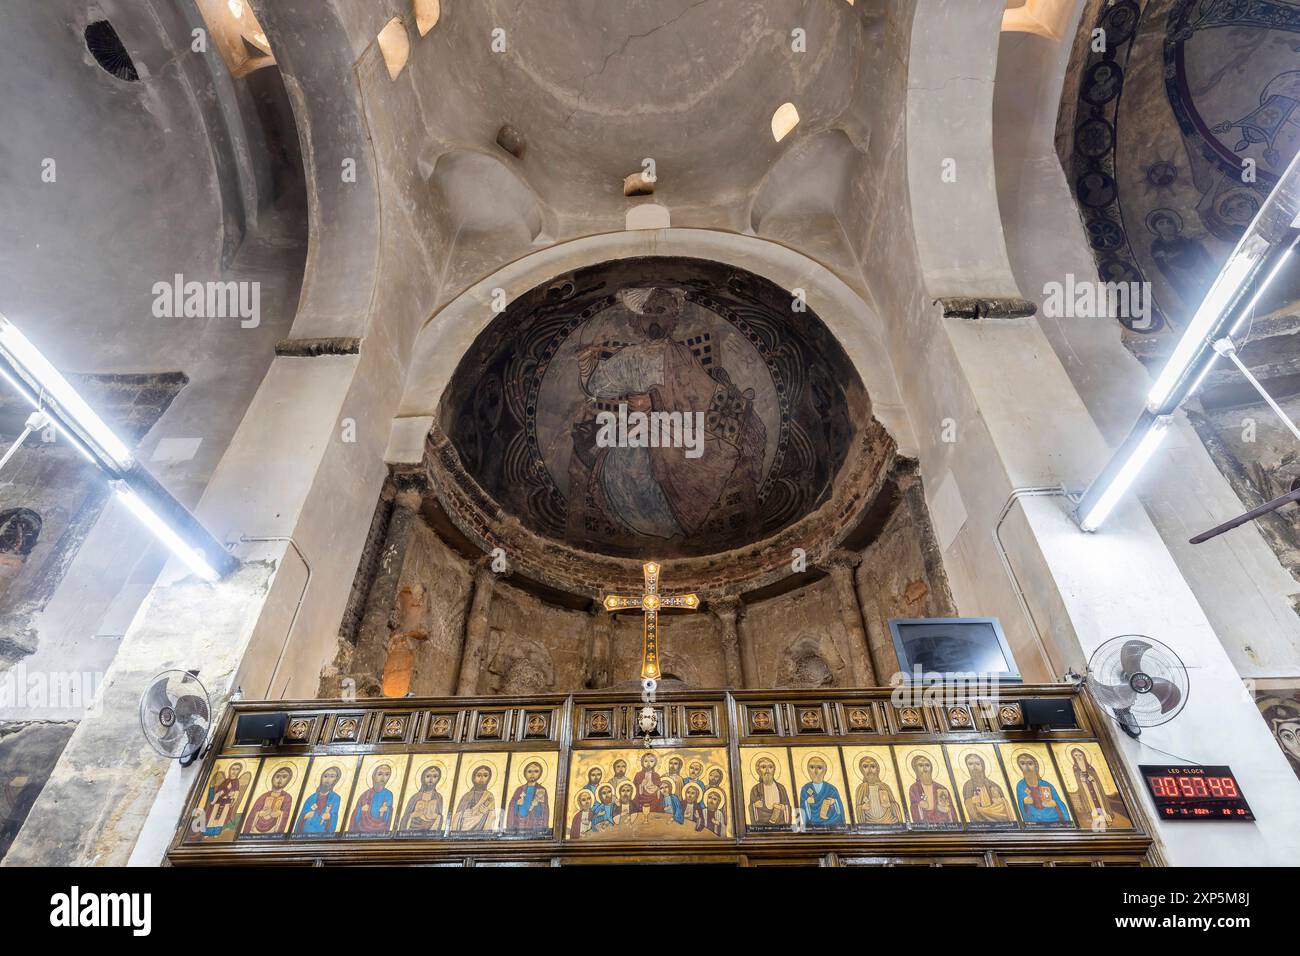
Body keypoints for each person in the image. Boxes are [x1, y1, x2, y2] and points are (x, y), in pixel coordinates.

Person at [1065, 747, 1129, 829]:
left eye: (1080, 755)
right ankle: (1095, 816)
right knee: (1090, 800)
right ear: (1073, 757)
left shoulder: (1090, 767)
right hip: (1085, 788)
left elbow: (1096, 778)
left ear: (1083, 755)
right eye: (1075, 755)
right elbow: (1077, 778)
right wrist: (1082, 780)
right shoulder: (1075, 767)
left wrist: (1092, 779)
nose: (1078, 757)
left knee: (1099, 799)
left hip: (1094, 786)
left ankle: (1104, 814)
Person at [1013, 751, 1071, 824]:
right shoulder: (1021, 785)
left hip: (1053, 817)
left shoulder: (1046, 785)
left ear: (1036, 766)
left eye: (1030, 763)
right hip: (1034, 819)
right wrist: (1026, 801)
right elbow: (1022, 805)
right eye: (1022, 764)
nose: (1027, 767)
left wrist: (1054, 803)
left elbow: (1059, 803)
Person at [960, 753, 1012, 823]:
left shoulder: (994, 785)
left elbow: (1004, 807)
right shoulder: (968, 786)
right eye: (970, 764)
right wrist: (971, 801)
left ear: (983, 766)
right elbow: (969, 807)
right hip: (980, 824)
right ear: (967, 767)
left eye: (977, 764)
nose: (974, 767)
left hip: (1000, 822)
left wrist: (1000, 802)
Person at [243, 765, 295, 835]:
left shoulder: (287, 797)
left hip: (273, 831)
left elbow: (285, 815)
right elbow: (252, 815)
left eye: (284, 777)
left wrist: (279, 813)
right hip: (255, 831)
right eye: (277, 776)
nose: (280, 780)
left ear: (288, 781)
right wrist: (260, 814)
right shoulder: (263, 796)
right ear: (272, 778)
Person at [202, 762, 250, 837]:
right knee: (212, 817)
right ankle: (208, 832)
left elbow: (237, 793)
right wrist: (220, 793)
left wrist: (233, 800)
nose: (234, 771)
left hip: (227, 803)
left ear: (239, 771)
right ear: (229, 770)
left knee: (221, 818)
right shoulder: (226, 780)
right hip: (218, 801)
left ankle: (216, 832)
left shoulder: (236, 781)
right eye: (233, 769)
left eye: (237, 769)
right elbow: (219, 790)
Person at [906, 754, 956, 824]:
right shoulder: (914, 788)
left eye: (927, 765)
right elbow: (913, 807)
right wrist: (919, 805)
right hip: (925, 823)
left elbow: (951, 809)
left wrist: (947, 810)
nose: (924, 768)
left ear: (931, 768)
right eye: (920, 765)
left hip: (943, 822)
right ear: (915, 769)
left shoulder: (941, 788)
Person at [853, 754, 902, 825]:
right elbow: (858, 807)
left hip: (889, 820)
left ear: (877, 768)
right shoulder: (861, 788)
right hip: (869, 822)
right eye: (865, 766)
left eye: (873, 766)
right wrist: (862, 807)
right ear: (861, 770)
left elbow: (894, 804)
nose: (870, 770)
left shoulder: (885, 786)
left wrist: (890, 805)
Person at [798, 755, 845, 828]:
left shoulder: (831, 789)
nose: (815, 771)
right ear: (808, 770)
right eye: (812, 767)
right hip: (811, 824)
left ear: (825, 770)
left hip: (830, 823)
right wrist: (806, 802)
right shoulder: (805, 788)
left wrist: (834, 802)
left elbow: (839, 809)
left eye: (819, 768)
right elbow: (801, 809)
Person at [295, 766, 343, 835]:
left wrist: (329, 816)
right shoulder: (311, 798)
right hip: (305, 833)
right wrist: (305, 816)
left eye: (332, 776)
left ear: (336, 780)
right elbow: (301, 817)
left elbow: (334, 815)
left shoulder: (335, 798)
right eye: (325, 776)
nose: (327, 779)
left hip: (322, 833)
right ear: (321, 778)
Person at [349, 763, 396, 832]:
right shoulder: (365, 795)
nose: (383, 777)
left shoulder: (388, 794)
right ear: (374, 775)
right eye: (380, 774)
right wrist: (361, 809)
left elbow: (388, 814)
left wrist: (386, 810)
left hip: (380, 829)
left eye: (387, 774)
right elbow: (355, 814)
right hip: (361, 829)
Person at [507, 760, 551, 831]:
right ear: (525, 773)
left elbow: (545, 810)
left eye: (536, 771)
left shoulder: (541, 790)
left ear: (540, 774)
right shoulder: (519, 789)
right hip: (519, 824)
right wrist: (517, 804)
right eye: (529, 771)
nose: (532, 774)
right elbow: (511, 807)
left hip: (534, 824)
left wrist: (538, 805)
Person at [399, 764, 445, 831]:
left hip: (430, 830)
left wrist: (436, 816)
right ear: (423, 778)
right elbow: (405, 817)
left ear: (438, 779)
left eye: (435, 776)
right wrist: (414, 815)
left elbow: (440, 817)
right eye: (428, 776)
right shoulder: (415, 797)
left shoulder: (438, 797)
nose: (431, 779)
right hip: (412, 830)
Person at [452, 764, 497, 831]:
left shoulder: (489, 796)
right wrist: (464, 814)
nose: (482, 778)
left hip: (482, 828)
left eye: (485, 775)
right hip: (464, 829)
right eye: (479, 775)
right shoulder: (467, 796)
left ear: (489, 778)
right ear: (473, 777)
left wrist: (483, 812)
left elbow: (491, 816)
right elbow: (456, 817)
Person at [749, 755, 791, 826]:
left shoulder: (781, 788)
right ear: (758, 771)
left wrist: (782, 807)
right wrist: (755, 806)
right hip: (761, 826)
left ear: (774, 770)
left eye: (770, 767)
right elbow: (751, 807)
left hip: (780, 824)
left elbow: (787, 806)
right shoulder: (755, 789)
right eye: (763, 767)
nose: (767, 771)